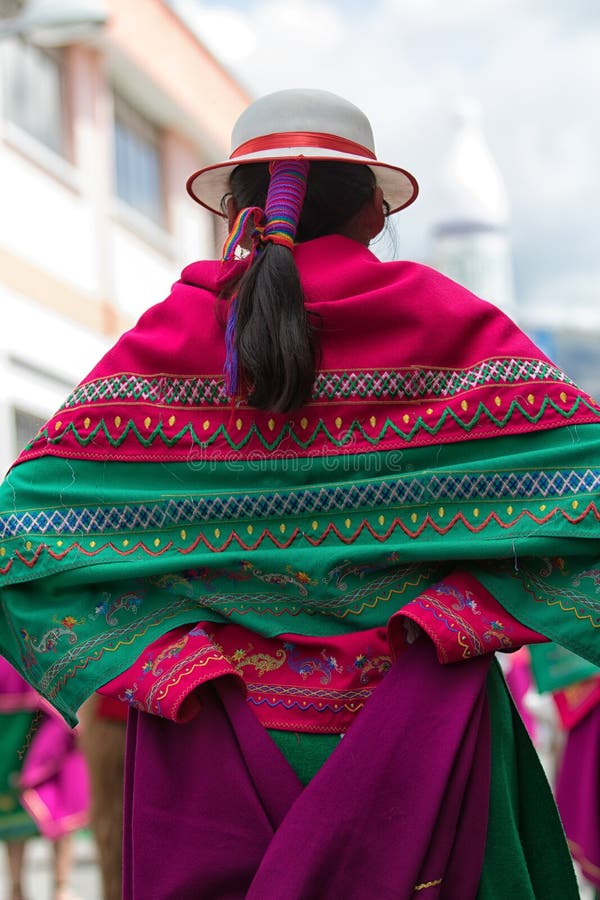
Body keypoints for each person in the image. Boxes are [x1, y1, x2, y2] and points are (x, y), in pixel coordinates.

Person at [1, 87, 599, 898]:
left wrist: (165, 660)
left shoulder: (170, 336)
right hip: (431, 736)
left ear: (238, 215)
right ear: (375, 215)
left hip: (208, 745)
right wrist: (464, 614)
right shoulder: (450, 322)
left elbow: (19, 542)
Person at [0, 657, 88, 900]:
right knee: (13, 807)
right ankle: (18, 888)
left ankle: (61, 886)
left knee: (59, 798)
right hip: (17, 708)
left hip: (47, 698)